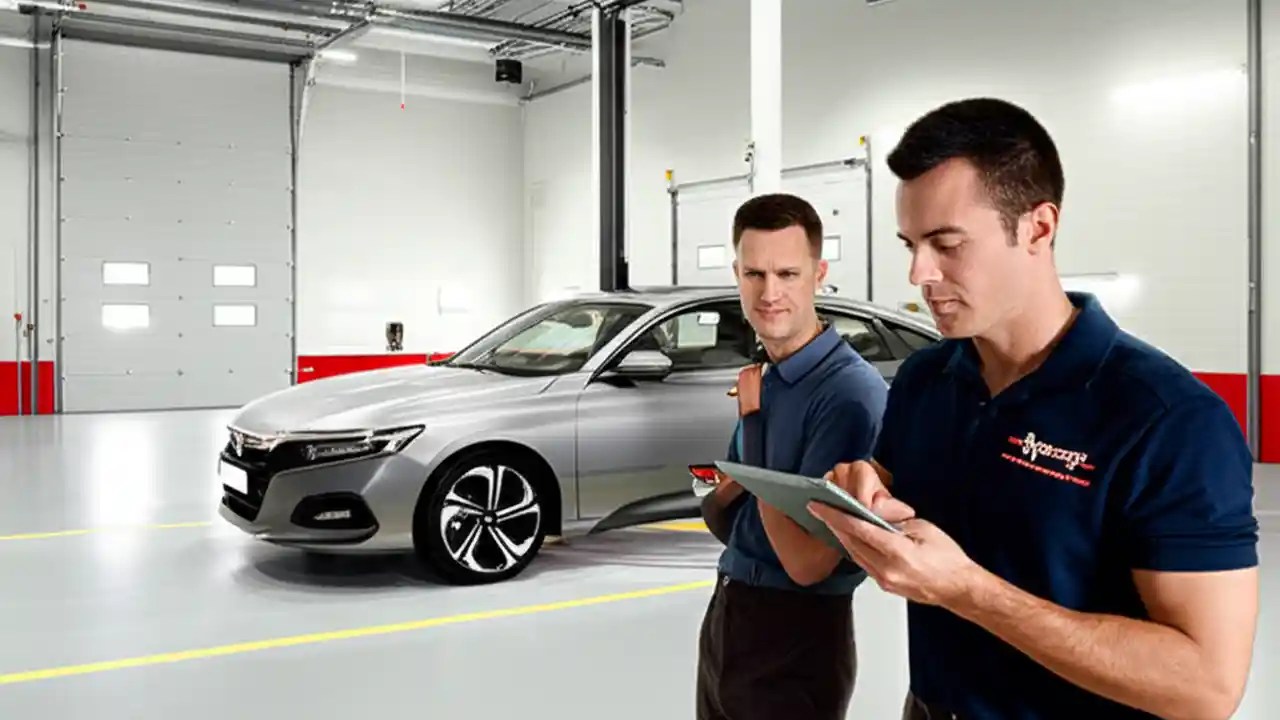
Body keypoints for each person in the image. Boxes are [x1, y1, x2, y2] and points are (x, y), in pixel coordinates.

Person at [808, 97, 1260, 720]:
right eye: (910, 244)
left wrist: (969, 592)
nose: (919, 273)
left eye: (947, 244)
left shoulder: (1169, 418)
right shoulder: (924, 381)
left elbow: (1206, 688)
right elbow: (904, 488)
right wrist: (865, 490)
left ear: (1038, 228)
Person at [696, 192, 890, 720]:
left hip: (795, 634)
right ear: (736, 273)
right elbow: (729, 519)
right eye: (754, 274)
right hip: (731, 614)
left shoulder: (848, 394)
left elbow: (808, 563)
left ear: (818, 273)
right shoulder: (768, 379)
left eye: (787, 273)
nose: (769, 292)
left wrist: (753, 432)